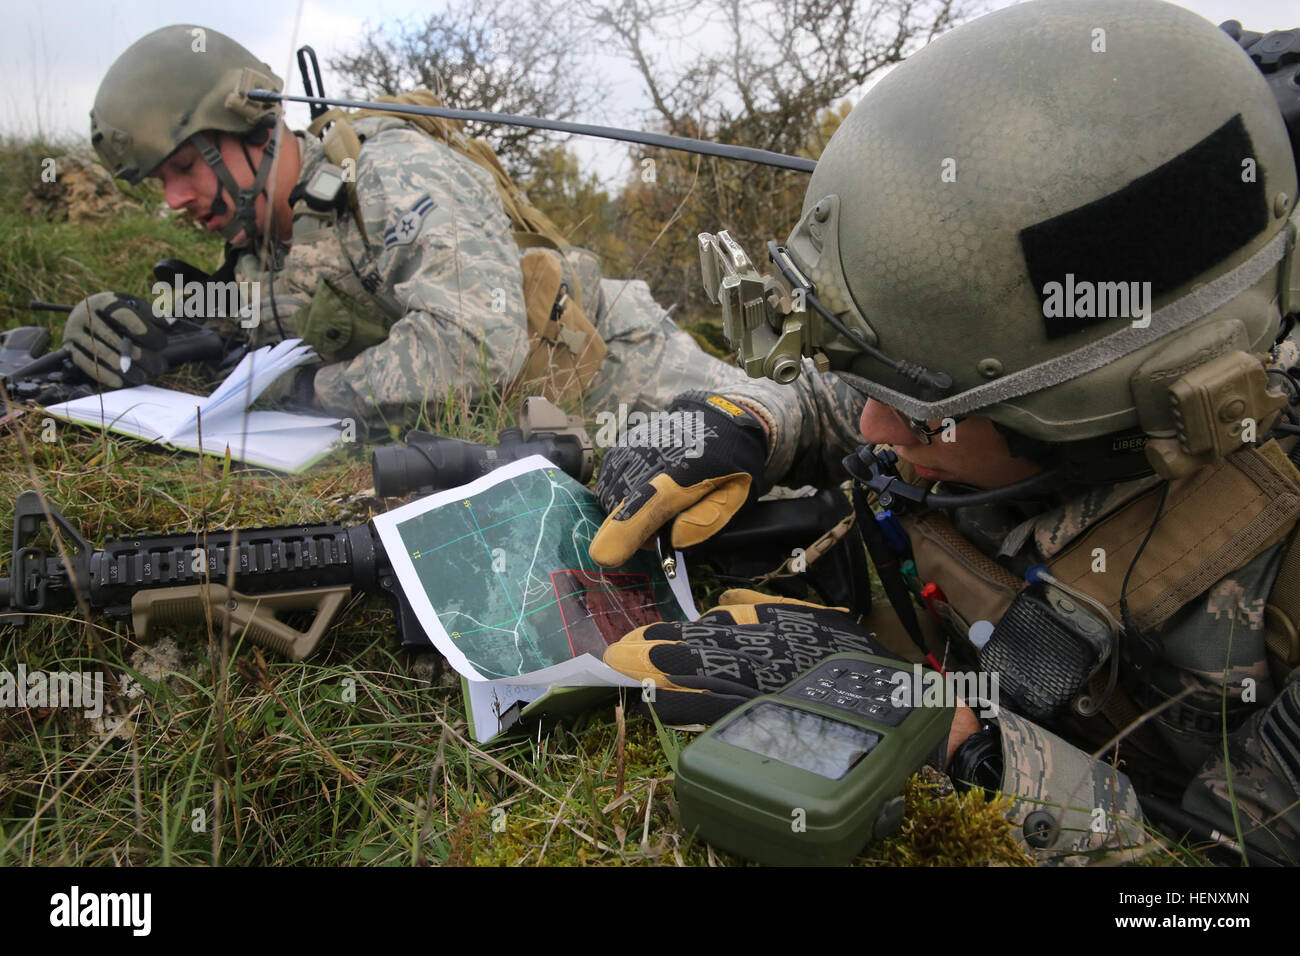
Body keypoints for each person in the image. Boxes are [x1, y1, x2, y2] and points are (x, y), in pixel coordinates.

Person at [590, 0, 1300, 863]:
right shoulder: (1020, 389)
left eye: (922, 412)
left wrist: (953, 743)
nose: (876, 426)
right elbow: (902, 384)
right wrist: (757, 418)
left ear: (1096, 413)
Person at [64, 23, 865, 480]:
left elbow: (471, 346)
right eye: (156, 184)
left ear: (243, 127)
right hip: (537, 439)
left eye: (179, 169)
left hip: (618, 380)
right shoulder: (265, 245)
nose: (173, 201)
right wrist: (152, 326)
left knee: (825, 440)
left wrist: (310, 393)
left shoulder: (387, 172)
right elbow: (269, 330)